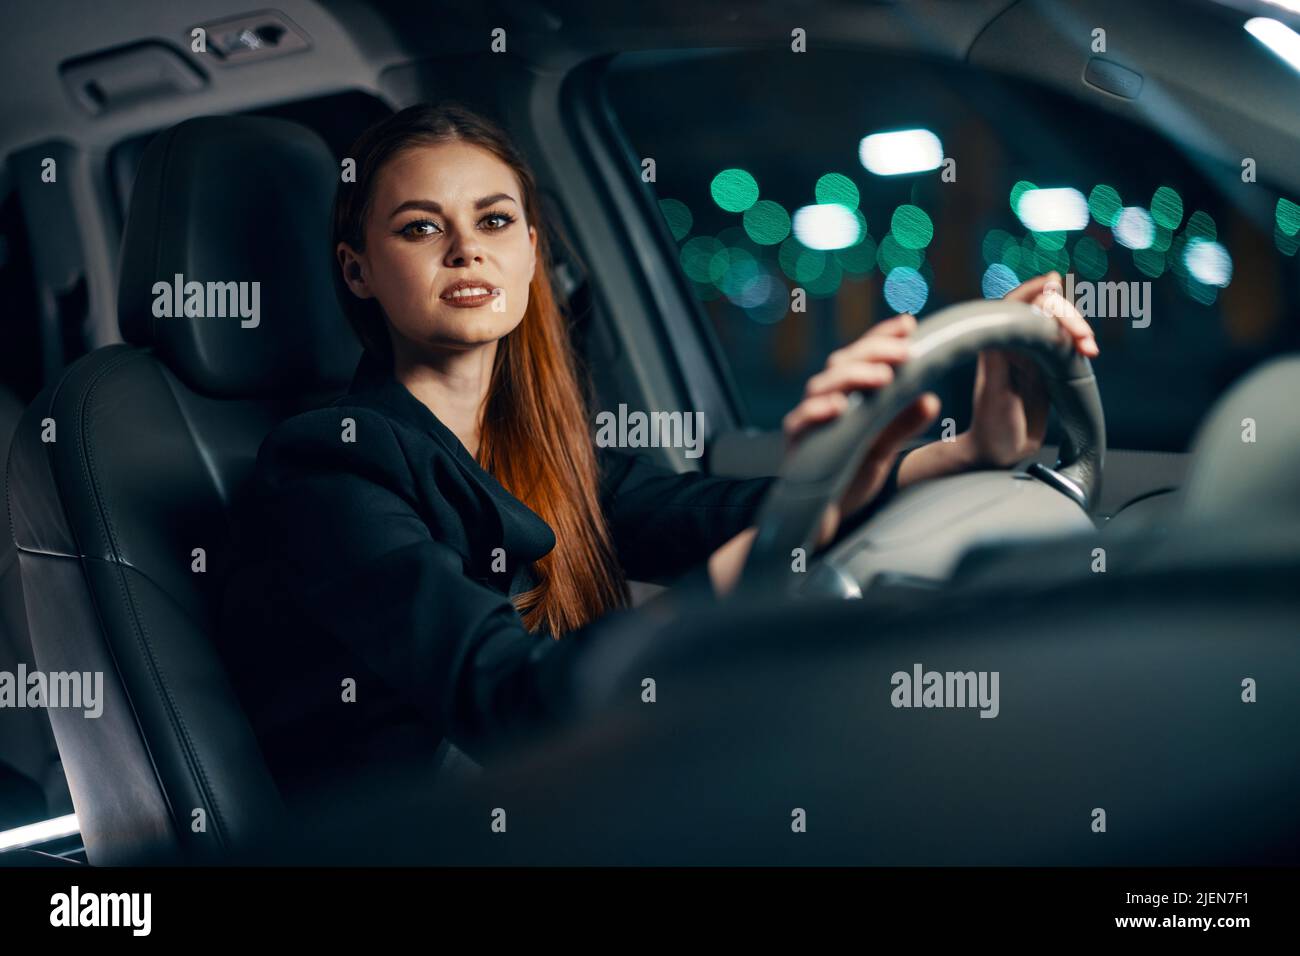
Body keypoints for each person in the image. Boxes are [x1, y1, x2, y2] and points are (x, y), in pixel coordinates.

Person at [217, 102, 1097, 811]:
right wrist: (785, 545)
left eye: (493, 219)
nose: (465, 248)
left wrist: (963, 452)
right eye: (418, 228)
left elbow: (709, 515)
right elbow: (511, 704)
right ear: (358, 268)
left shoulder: (537, 445)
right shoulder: (329, 468)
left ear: (530, 252)